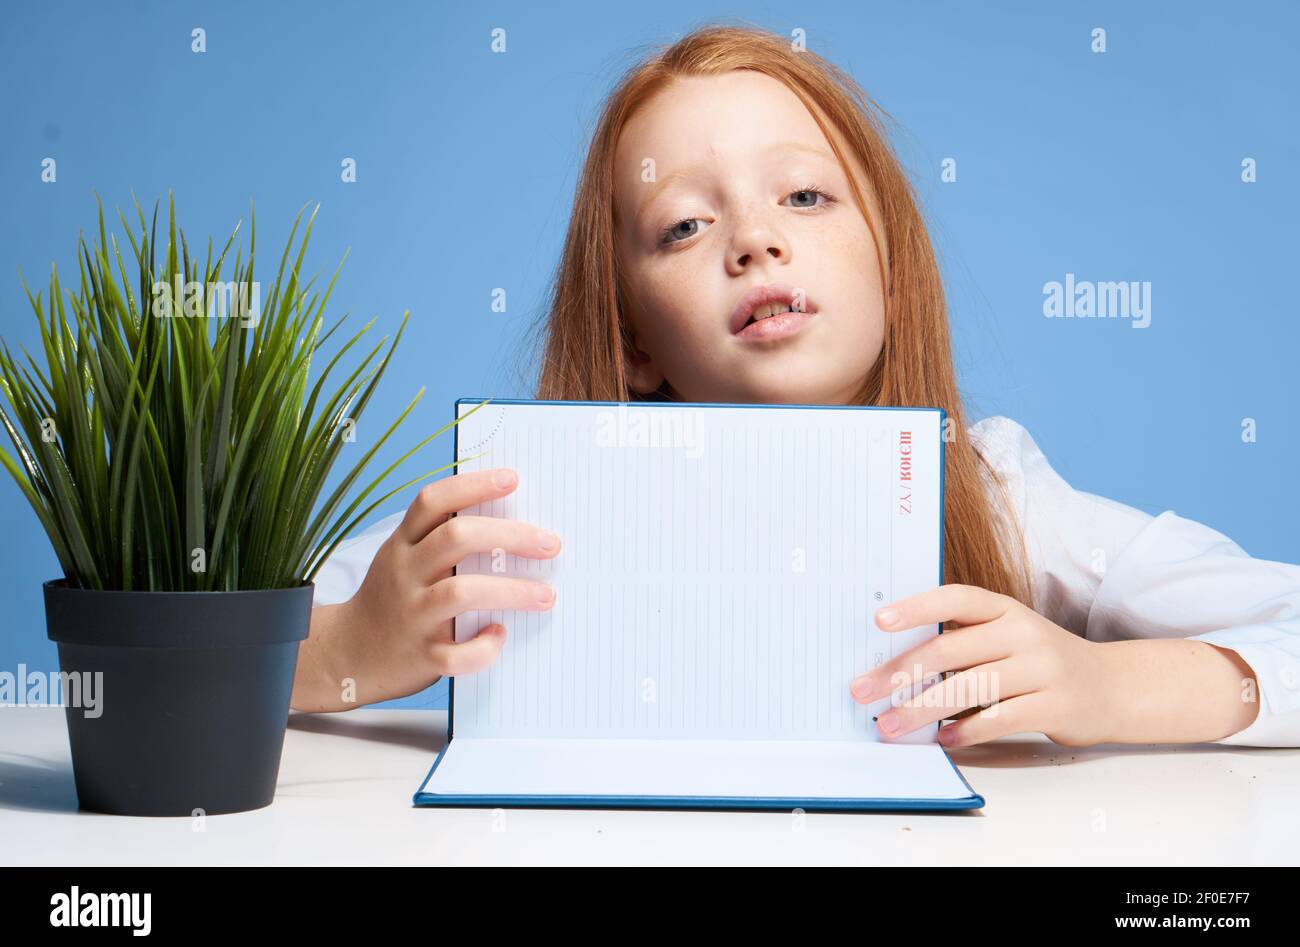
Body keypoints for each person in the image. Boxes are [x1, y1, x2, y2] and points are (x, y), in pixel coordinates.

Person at [290, 25, 1299, 749]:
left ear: (891, 277)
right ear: (633, 342)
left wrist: (1105, 684)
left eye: (806, 196)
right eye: (684, 224)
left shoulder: (994, 493)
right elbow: (155, 665)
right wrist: (350, 642)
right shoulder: (517, 517)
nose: (754, 238)